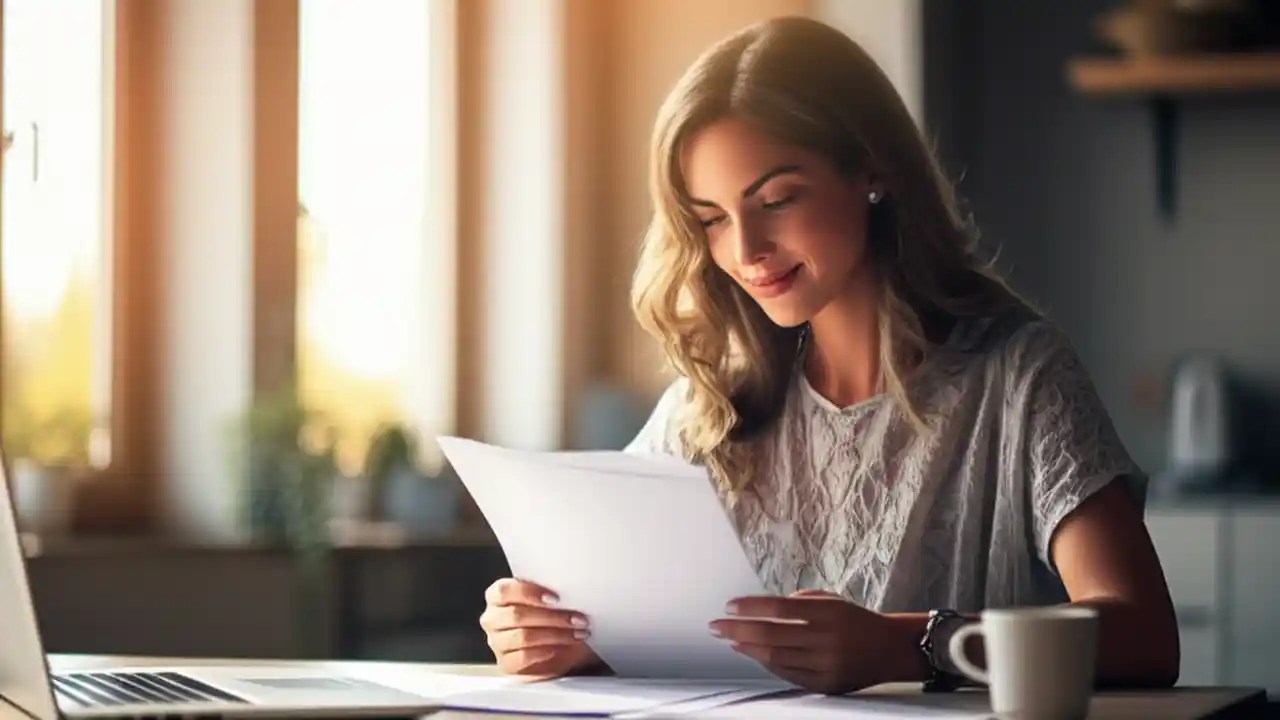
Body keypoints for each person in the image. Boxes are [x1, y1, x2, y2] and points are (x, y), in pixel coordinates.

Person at [479, 16, 1178, 694]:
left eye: (777, 199)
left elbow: (1145, 635)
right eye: (712, 220)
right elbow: (641, 631)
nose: (745, 251)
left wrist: (906, 645)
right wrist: (563, 635)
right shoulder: (706, 407)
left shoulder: (1019, 377)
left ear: (871, 172)